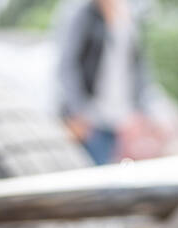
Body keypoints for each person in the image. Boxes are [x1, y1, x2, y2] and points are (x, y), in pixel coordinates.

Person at [56, 0, 155, 163]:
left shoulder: (131, 14)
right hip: (90, 119)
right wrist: (77, 111)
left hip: (121, 118)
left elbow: (138, 68)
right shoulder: (82, 13)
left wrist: (141, 110)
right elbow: (67, 66)